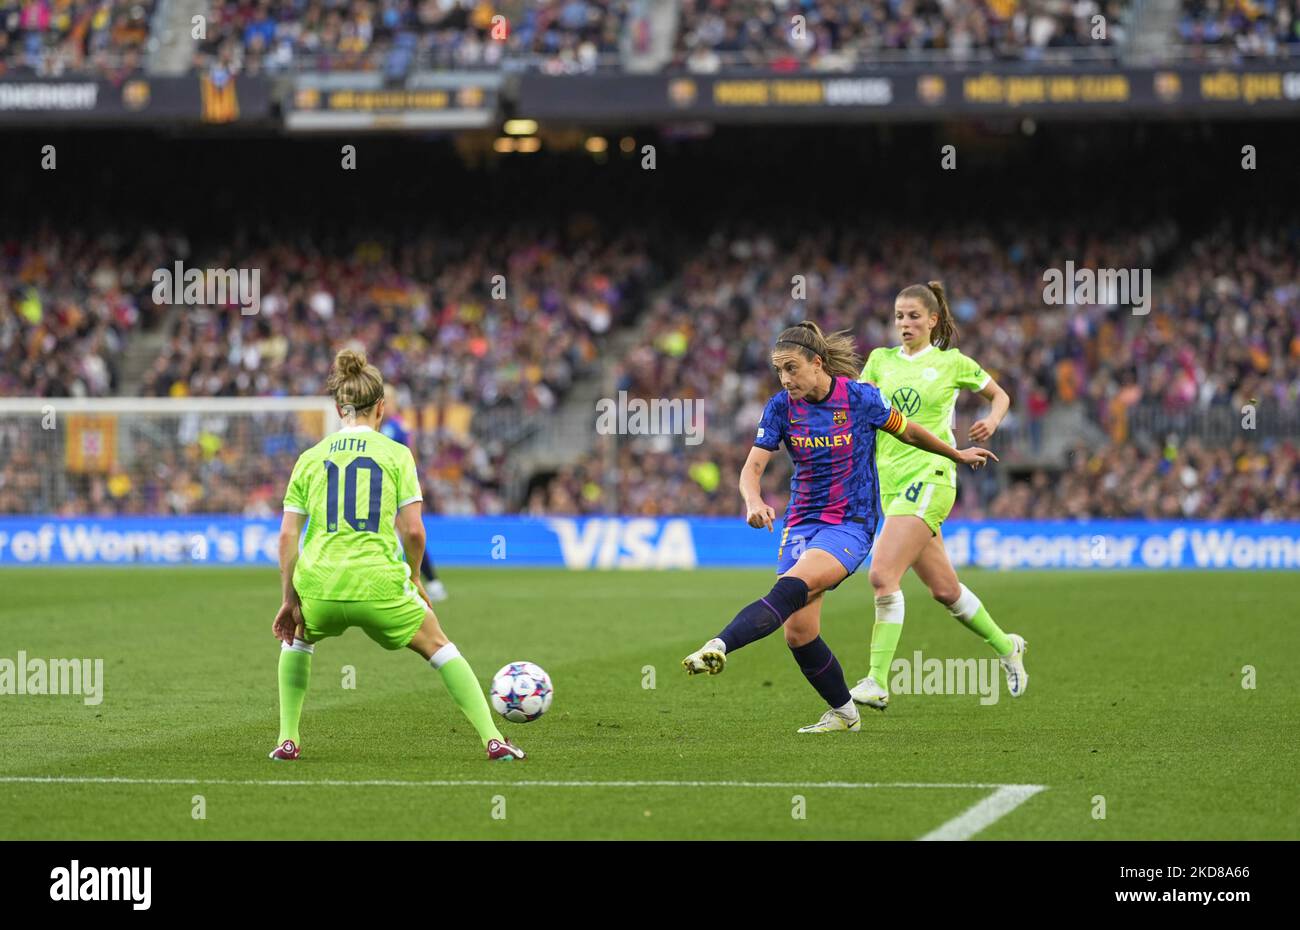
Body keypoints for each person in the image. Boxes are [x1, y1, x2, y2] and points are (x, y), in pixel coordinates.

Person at [681, 321, 997, 732]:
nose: (785, 379)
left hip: (850, 523)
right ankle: (845, 713)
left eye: (792, 368)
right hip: (801, 522)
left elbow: (911, 432)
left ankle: (719, 644)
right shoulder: (780, 406)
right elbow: (752, 467)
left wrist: (955, 454)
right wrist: (754, 500)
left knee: (789, 589)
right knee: (798, 632)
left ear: (817, 363)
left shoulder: (859, 398)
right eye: (779, 370)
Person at [270, 348, 523, 761]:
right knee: (441, 648)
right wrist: (416, 577)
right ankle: (493, 739)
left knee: (296, 641)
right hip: (380, 585)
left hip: (320, 585)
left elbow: (286, 538)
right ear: (381, 408)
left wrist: (289, 599)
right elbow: (414, 530)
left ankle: (288, 740)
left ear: (338, 408)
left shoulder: (309, 459)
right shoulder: (396, 454)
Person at [850, 282, 1028, 711]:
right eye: (898, 316)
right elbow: (857, 407)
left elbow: (1000, 394)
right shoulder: (879, 360)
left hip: (932, 475)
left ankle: (876, 680)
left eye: (913, 316)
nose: (904, 324)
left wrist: (992, 419)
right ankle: (1008, 647)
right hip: (890, 484)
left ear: (932, 320)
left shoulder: (952, 363)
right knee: (945, 590)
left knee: (882, 575)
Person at [380, 384, 448, 601]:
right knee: (397, 534)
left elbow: (410, 456)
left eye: (386, 401)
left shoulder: (396, 427)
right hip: (384, 488)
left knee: (409, 532)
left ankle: (430, 581)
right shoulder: (382, 427)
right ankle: (416, 581)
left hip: (395, 488)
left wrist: (412, 481)